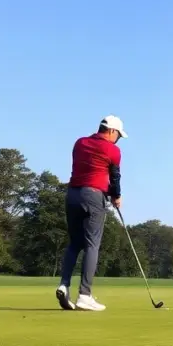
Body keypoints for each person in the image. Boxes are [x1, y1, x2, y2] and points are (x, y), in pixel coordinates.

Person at [56, 115, 127, 312]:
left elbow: (87, 168)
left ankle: (64, 285)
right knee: (92, 245)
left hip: (72, 195)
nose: (118, 139)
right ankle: (84, 295)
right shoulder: (113, 150)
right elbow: (115, 177)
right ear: (111, 131)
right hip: (93, 197)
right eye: (118, 135)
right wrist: (116, 196)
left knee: (74, 243)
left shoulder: (80, 143)